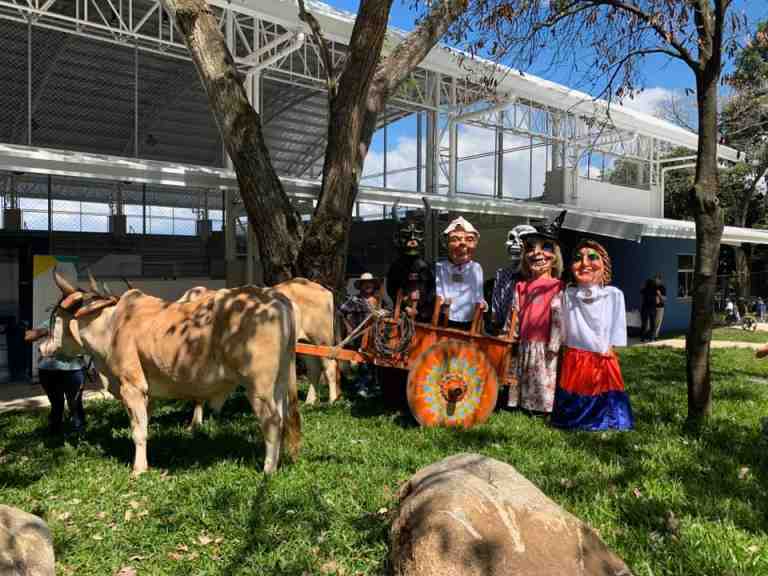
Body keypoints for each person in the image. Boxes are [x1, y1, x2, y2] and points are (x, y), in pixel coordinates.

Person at [551, 240, 634, 431]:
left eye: (593, 257)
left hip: (601, 354)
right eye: (578, 259)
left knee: (605, 391)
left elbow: (617, 325)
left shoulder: (613, 295)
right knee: (574, 390)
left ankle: (607, 419)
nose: (585, 263)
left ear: (604, 265)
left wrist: (610, 346)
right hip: (575, 355)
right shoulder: (567, 295)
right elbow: (563, 323)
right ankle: (575, 419)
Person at [511, 211, 566, 414]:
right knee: (526, 373)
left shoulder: (558, 286)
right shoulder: (522, 286)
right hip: (526, 341)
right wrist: (512, 334)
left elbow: (559, 317)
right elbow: (515, 312)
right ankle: (525, 403)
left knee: (544, 374)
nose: (537, 253)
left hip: (545, 343)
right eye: (531, 248)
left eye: (546, 247)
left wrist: (555, 341)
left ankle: (544, 406)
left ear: (555, 256)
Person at [24, 321, 87, 435]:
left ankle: (79, 433)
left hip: (73, 370)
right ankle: (55, 431)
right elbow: (28, 337)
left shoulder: (80, 321)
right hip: (48, 370)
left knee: (75, 403)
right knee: (56, 403)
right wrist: (47, 331)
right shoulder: (51, 321)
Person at [435, 216, 486, 330]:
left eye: (469, 239)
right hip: (445, 320)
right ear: (446, 244)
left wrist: (481, 304)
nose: (462, 244)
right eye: (455, 239)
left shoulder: (476, 268)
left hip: (470, 320)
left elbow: (479, 294)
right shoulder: (440, 267)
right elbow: (439, 293)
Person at [340, 272, 383, 397]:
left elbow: (386, 312)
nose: (368, 286)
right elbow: (341, 311)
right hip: (360, 335)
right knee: (363, 361)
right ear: (361, 286)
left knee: (375, 361)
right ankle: (363, 386)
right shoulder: (355, 300)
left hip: (375, 336)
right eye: (365, 284)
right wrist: (348, 327)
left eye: (370, 283)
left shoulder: (378, 300)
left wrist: (382, 312)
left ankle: (373, 386)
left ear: (374, 285)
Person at [491, 224, 537, 335]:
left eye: (522, 239)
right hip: (504, 334)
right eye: (512, 239)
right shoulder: (502, 274)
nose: (515, 243)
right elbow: (496, 311)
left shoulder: (538, 276)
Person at [386, 219, 435, 322]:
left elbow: (431, 288)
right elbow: (391, 289)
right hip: (402, 313)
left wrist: (424, 307)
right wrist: (405, 307)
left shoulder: (425, 266)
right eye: (406, 236)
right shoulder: (396, 266)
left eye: (416, 236)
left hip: (422, 313)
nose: (412, 241)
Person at [640, 277, 659, 341]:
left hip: (645, 308)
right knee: (652, 324)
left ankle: (643, 338)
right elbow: (657, 301)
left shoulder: (644, 290)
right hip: (653, 308)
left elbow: (641, 292)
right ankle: (651, 338)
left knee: (644, 324)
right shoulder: (655, 291)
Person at [653, 272, 667, 339]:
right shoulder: (653, 287)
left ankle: (656, 335)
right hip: (652, 307)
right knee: (652, 321)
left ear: (660, 280)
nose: (655, 280)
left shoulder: (662, 288)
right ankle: (651, 334)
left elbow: (665, 299)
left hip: (660, 307)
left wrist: (659, 295)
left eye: (657, 279)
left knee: (658, 322)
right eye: (655, 279)